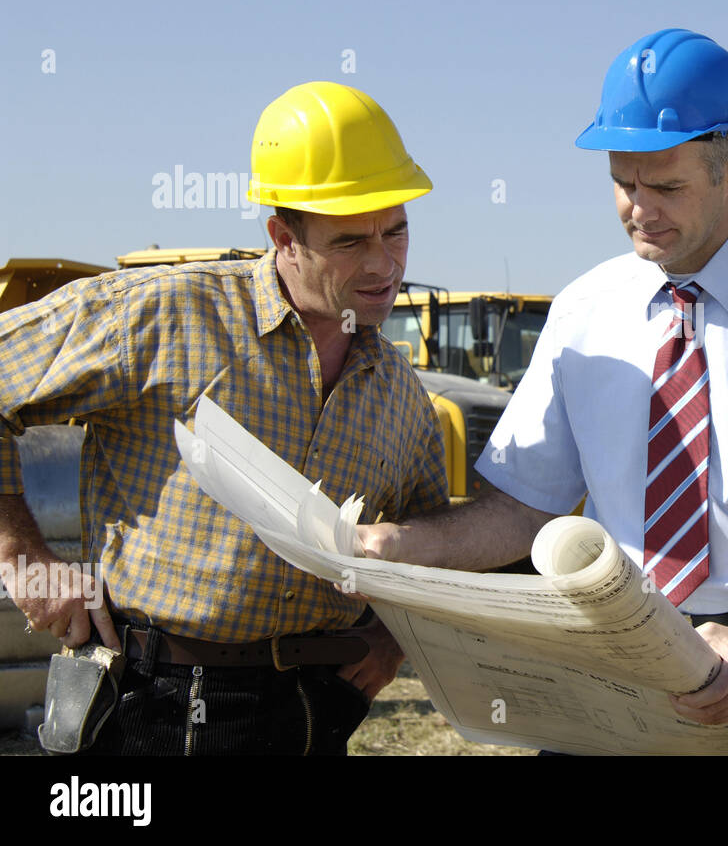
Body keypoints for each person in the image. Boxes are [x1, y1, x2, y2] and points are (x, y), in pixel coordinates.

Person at [358, 28, 728, 753]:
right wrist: (406, 544)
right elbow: (526, 507)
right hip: (603, 656)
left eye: (666, 187)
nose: (639, 208)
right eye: (623, 184)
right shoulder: (582, 311)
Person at [0, 81, 448, 755]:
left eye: (397, 230)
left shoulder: (403, 397)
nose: (384, 265)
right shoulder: (160, 315)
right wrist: (23, 557)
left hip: (311, 711)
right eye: (351, 241)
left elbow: (430, 542)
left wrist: (390, 639)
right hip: (151, 705)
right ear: (281, 235)